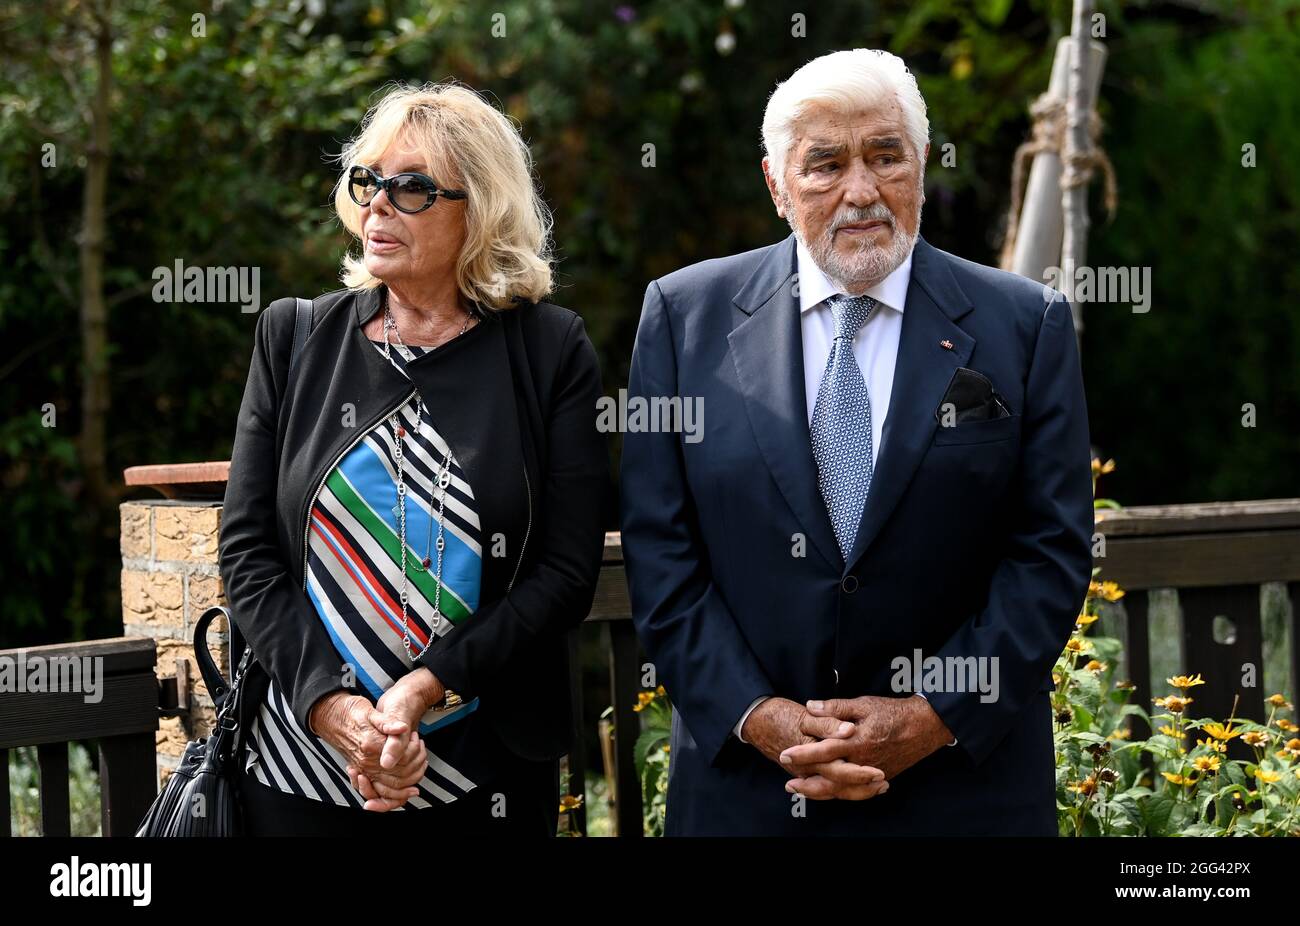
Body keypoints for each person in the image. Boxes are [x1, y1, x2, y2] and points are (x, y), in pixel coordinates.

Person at [619, 49, 1093, 835]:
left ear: (922, 165)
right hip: (750, 794)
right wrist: (759, 716)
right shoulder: (680, 319)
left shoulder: (1027, 325)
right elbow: (659, 550)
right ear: (777, 185)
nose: (862, 190)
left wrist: (933, 714)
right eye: (826, 164)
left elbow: (1051, 551)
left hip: (962, 794)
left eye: (885, 155)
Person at [218, 82, 610, 836]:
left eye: (413, 188)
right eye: (368, 181)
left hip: (483, 768)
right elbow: (247, 554)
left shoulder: (549, 351)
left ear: (481, 209)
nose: (378, 205)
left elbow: (564, 575)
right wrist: (335, 707)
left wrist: (424, 689)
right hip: (301, 763)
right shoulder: (295, 338)